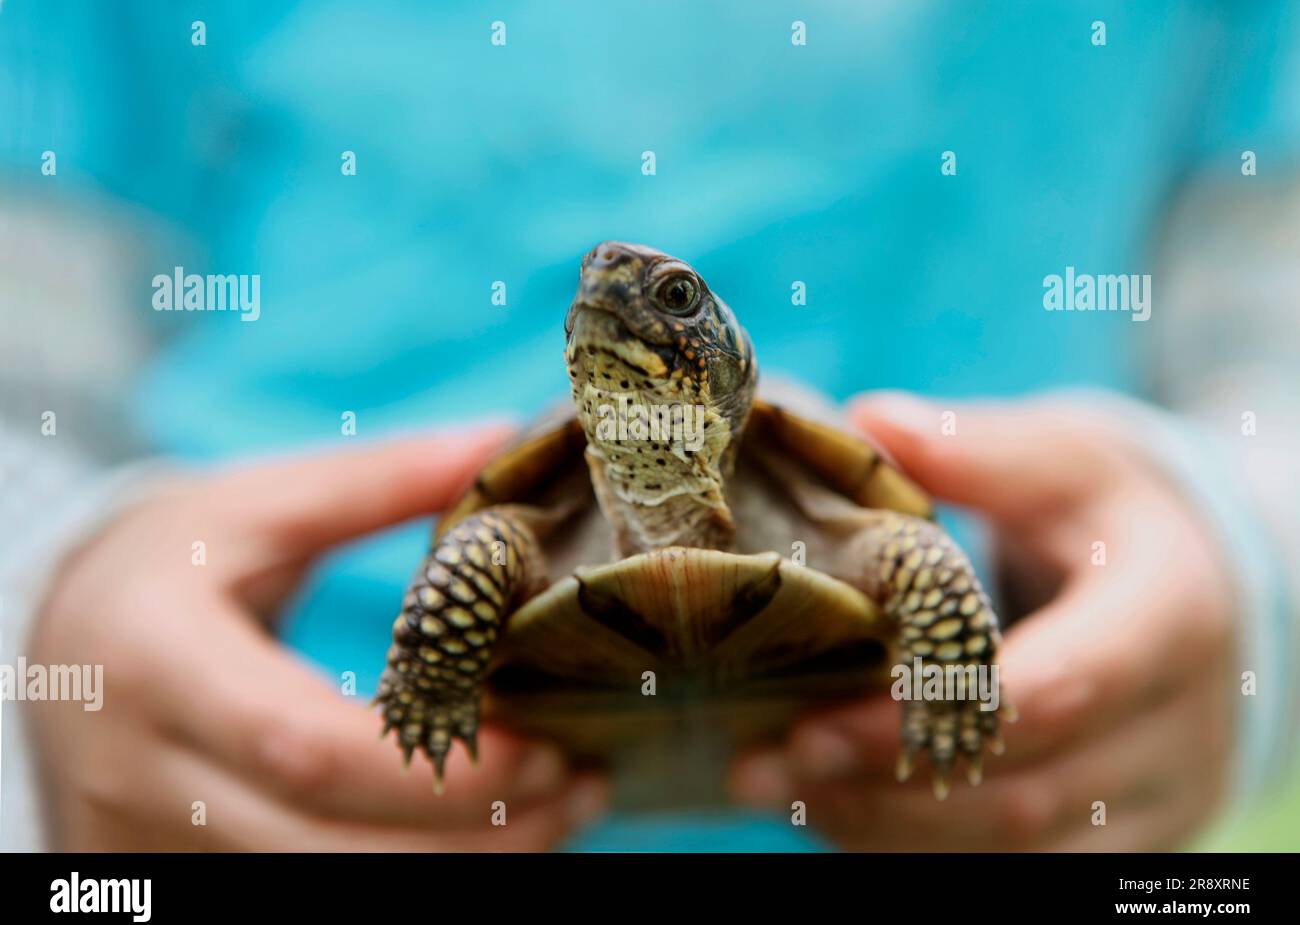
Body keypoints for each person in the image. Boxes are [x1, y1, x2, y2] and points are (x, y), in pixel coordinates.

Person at [2, 1, 1297, 851]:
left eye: (667, 302)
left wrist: (1234, 563)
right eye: (608, 302)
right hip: (266, 789)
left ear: (722, 359)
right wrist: (49, 633)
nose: (620, 300)